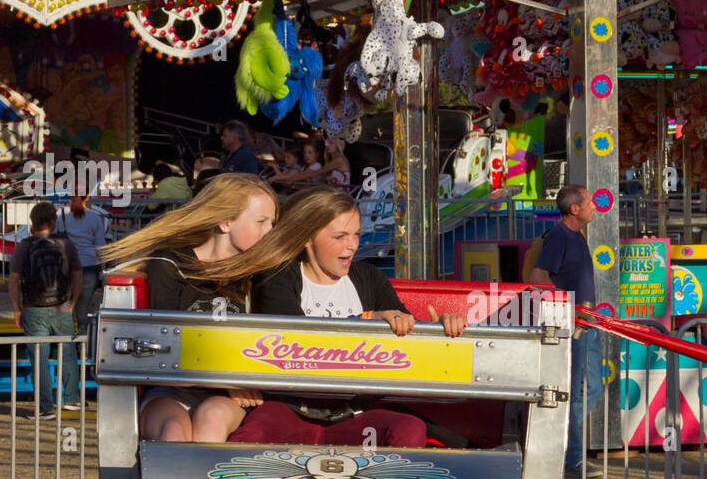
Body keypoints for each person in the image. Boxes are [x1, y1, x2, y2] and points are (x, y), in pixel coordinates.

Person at [194, 187, 464, 447]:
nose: (353, 246)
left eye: (356, 235)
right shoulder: (278, 277)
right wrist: (367, 320)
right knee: (253, 433)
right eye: (339, 237)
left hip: (354, 412)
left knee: (408, 428)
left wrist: (439, 329)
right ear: (307, 238)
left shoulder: (369, 278)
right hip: (290, 409)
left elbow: (404, 333)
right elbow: (295, 342)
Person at [103, 174, 278, 442]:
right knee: (173, 432)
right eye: (261, 222)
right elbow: (162, 350)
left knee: (211, 421)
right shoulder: (170, 265)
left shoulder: (260, 275)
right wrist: (224, 380)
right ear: (225, 222)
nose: (270, 231)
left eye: (273, 223)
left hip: (225, 397)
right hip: (173, 388)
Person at [528, 184, 601, 474]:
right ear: (575, 209)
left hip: (585, 321)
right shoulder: (560, 236)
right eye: (589, 202)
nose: (593, 207)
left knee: (592, 385)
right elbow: (538, 276)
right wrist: (557, 314)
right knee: (572, 389)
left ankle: (558, 437)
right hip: (572, 324)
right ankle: (572, 454)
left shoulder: (574, 234)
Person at [9, 200, 82, 419]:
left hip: (34, 308)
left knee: (39, 359)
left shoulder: (25, 245)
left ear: (32, 224)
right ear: (53, 221)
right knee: (67, 354)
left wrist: (17, 310)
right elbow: (78, 276)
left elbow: (13, 280)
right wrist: (73, 303)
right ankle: (72, 400)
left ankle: (45, 408)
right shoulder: (65, 244)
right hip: (62, 307)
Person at [56, 192, 110, 336]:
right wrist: (104, 270)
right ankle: (84, 347)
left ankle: (65, 347)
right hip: (89, 267)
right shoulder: (95, 217)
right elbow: (100, 246)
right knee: (83, 309)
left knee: (65, 308)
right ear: (87, 196)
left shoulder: (60, 214)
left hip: (66, 267)